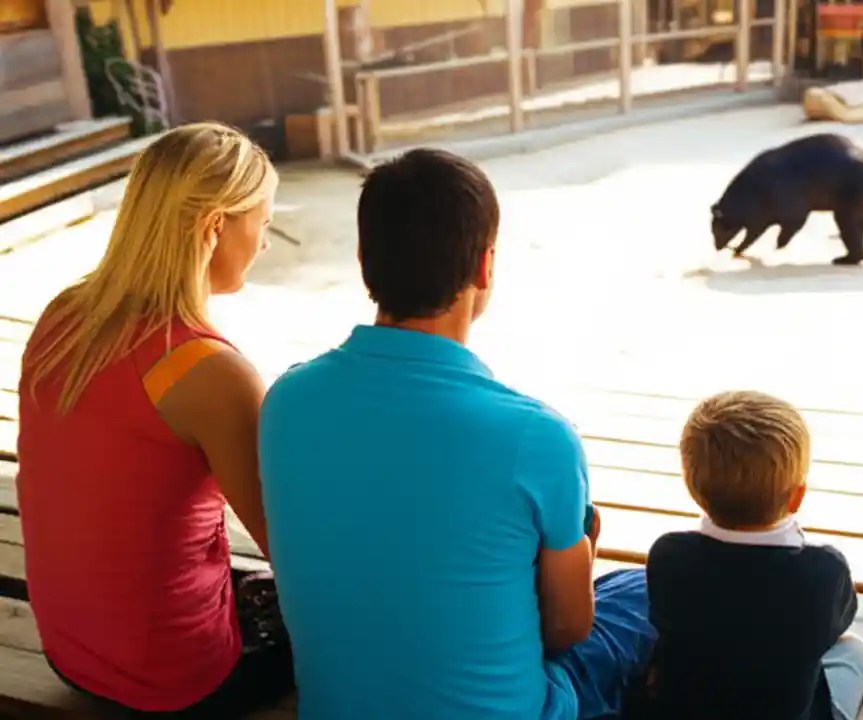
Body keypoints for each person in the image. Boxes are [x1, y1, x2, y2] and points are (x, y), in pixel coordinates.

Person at [257, 148, 653, 720]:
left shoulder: (286, 403)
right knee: (643, 590)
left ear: (365, 259)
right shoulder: (536, 438)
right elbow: (567, 628)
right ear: (485, 267)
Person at [17, 123, 294, 716]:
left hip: (70, 653)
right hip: (173, 683)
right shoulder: (208, 372)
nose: (265, 243)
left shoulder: (65, 315)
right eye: (262, 223)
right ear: (215, 227)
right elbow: (289, 548)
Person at [628, 390, 863, 720]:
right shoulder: (823, 572)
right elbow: (835, 626)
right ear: (797, 496)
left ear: (691, 486)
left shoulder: (669, 556)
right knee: (852, 651)